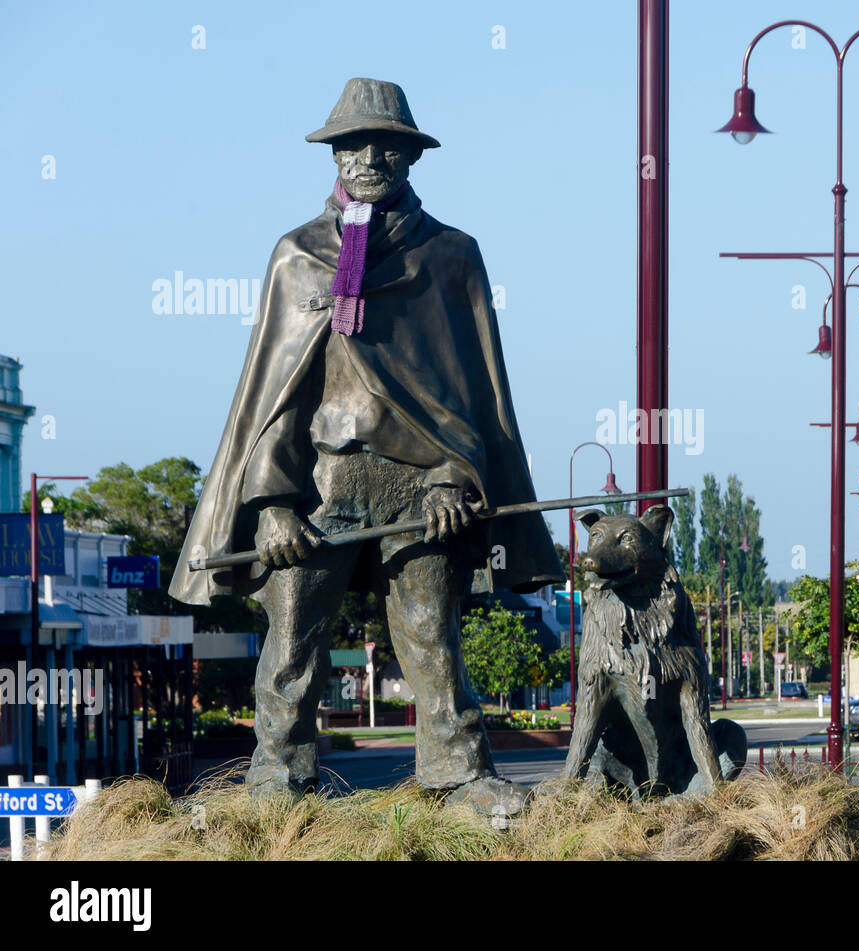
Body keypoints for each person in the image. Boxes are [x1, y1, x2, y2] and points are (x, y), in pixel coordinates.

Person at [169, 79, 563, 803]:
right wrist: (274, 502)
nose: (369, 157)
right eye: (353, 144)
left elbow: (477, 393)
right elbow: (273, 394)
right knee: (292, 644)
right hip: (322, 482)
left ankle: (460, 777)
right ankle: (279, 782)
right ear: (334, 155)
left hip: (422, 487)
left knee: (431, 639)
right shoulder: (299, 255)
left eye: (387, 144)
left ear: (412, 157)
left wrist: (455, 474)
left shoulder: (452, 256)